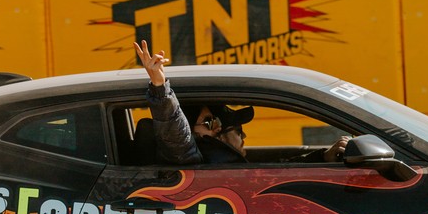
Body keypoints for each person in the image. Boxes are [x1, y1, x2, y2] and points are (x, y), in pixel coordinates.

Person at [133, 40, 349, 165]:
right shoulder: (188, 158)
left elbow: (276, 173)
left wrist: (323, 157)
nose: (242, 134)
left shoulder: (225, 165)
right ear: (191, 132)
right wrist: (160, 88)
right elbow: (175, 132)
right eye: (210, 123)